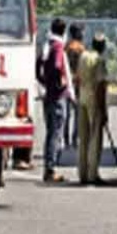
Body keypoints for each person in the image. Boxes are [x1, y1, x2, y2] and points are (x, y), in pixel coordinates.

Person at [38, 18, 75, 183]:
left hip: (48, 95)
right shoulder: (58, 47)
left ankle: (48, 166)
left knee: (50, 131)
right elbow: (57, 66)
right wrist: (61, 84)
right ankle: (51, 169)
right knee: (56, 133)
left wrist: (44, 82)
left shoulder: (47, 45)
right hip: (57, 97)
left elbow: (38, 67)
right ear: (64, 31)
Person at [76, 33, 109, 185]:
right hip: (93, 98)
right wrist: (104, 110)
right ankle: (92, 174)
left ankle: (82, 173)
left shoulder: (83, 56)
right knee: (95, 138)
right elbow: (101, 86)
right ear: (102, 46)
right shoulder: (99, 60)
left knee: (83, 137)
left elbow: (78, 78)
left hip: (82, 96)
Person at [64, 24, 86, 149]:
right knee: (78, 113)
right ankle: (75, 138)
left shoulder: (66, 47)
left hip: (66, 83)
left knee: (66, 113)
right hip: (77, 83)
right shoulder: (80, 49)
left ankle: (65, 138)